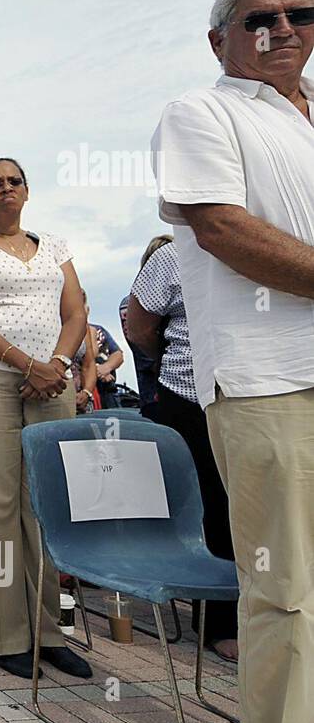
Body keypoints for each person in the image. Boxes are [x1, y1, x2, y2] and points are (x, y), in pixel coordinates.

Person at [152, 0, 314, 723]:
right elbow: (220, 228)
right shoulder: (201, 112)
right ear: (221, 39)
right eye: (260, 18)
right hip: (269, 377)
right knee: (287, 589)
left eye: (299, 14)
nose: (282, 28)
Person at [0, 158, 92, 680]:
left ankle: (48, 631)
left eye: (14, 181)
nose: (6, 189)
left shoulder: (55, 246)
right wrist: (26, 363)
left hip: (51, 376)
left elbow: (76, 312)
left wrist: (57, 365)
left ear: (27, 190)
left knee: (45, 504)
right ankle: (1, 635)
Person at [125, 241, 238, 661]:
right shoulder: (172, 256)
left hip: (260, 388)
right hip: (190, 396)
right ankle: (220, 622)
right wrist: (172, 359)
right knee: (212, 506)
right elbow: (138, 329)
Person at [122, 235, 173, 419]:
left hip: (153, 392)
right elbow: (139, 337)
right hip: (159, 388)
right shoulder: (135, 304)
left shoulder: (129, 303)